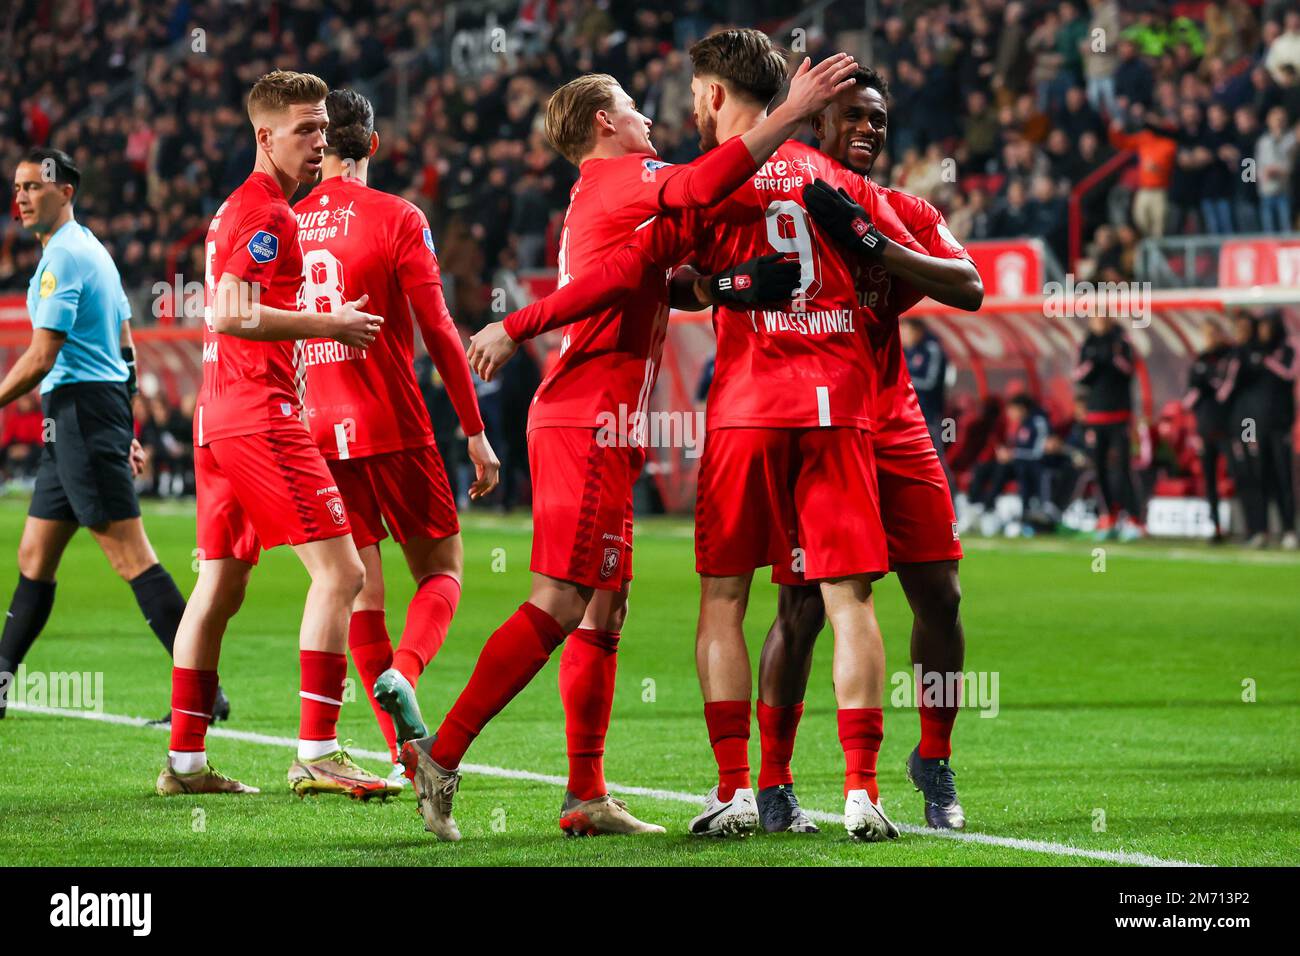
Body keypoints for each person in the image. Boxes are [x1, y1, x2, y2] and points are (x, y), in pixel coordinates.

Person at [402, 46, 860, 841]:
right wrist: (788, 110)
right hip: (584, 419)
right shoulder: (626, 178)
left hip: (606, 424)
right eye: (636, 107)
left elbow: (661, 272)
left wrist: (726, 284)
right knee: (560, 600)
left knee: (603, 613)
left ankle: (585, 793)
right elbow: (690, 195)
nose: (655, 116)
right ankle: (441, 756)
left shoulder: (613, 196)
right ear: (606, 123)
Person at [737, 66, 982, 832]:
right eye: (853, 117)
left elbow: (969, 286)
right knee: (803, 605)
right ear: (817, 123)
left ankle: (933, 760)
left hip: (895, 420)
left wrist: (874, 244)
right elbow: (698, 275)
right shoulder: (777, 201)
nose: (869, 128)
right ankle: (773, 780)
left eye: (879, 118)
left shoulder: (898, 210)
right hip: (816, 422)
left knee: (941, 595)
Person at [155, 71, 395, 798]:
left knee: (220, 584)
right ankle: (318, 750)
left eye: (324, 128)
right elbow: (230, 313)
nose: (320, 142)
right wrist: (331, 323)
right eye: (304, 129)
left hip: (216, 416)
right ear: (264, 136)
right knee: (344, 573)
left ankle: (186, 763)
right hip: (260, 414)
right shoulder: (269, 216)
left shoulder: (234, 208)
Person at [293, 89, 500, 786]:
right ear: (374, 145)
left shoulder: (288, 224)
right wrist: (475, 431)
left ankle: (403, 755)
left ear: (321, 148)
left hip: (318, 429)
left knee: (361, 592)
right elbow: (440, 328)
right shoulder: (398, 216)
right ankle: (405, 675)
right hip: (392, 421)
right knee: (442, 569)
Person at [0, 148, 211, 723]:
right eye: (17, 188)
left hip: (80, 415)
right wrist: (127, 425)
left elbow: (43, 356)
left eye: (33, 187)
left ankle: (203, 693)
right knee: (34, 556)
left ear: (66, 191)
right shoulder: (92, 250)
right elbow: (124, 343)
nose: (20, 197)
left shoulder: (64, 258)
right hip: (87, 416)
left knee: (131, 558)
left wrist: (115, 426)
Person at [1074, 314, 1144, 540]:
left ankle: (1134, 518)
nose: (1100, 321)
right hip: (1095, 418)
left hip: (1119, 416)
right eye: (1096, 317)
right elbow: (1078, 375)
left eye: (1103, 316)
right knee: (1099, 469)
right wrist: (1094, 362)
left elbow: (1129, 371)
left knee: (1123, 467)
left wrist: (1112, 358)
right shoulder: (1087, 344)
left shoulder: (1121, 342)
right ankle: (1108, 517)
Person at [1183, 319, 1232, 542]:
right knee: (1209, 479)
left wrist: (1209, 384)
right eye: (1206, 334)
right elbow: (1191, 396)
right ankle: (1216, 527)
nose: (1210, 338)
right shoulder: (1200, 360)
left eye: (1213, 333)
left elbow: (1225, 389)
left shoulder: (1229, 357)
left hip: (1230, 428)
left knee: (1240, 473)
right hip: (1206, 428)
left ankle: (1255, 527)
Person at [1255, 314, 1297, 549]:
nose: (1263, 332)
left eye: (1266, 327)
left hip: (1281, 425)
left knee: (1284, 478)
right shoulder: (1254, 352)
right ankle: (1262, 530)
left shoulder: (1287, 349)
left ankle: (1289, 529)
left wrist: (1267, 360)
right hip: (1254, 425)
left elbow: (1290, 374)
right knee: (1261, 477)